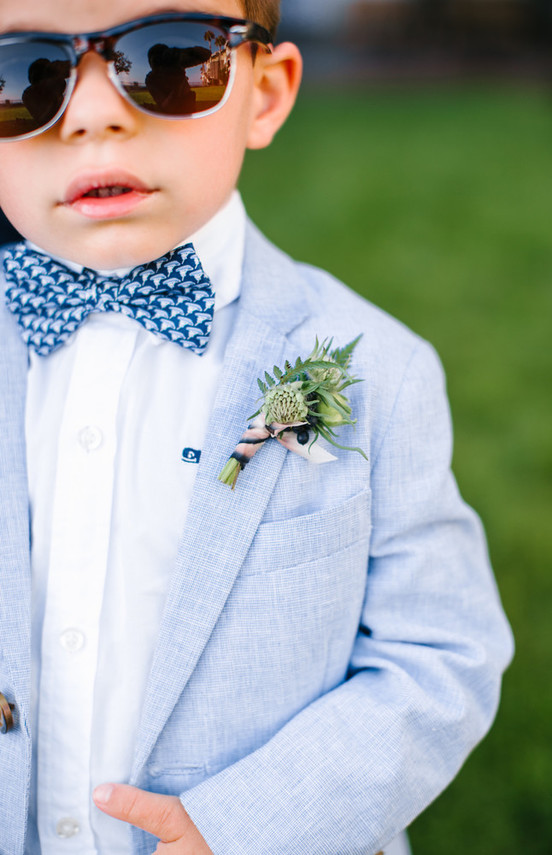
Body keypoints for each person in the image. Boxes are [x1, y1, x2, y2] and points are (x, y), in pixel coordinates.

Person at [0, 1, 514, 854]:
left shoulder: (377, 370)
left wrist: (248, 827)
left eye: (166, 59)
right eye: (24, 74)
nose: (91, 114)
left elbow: (441, 655)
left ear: (265, 94)